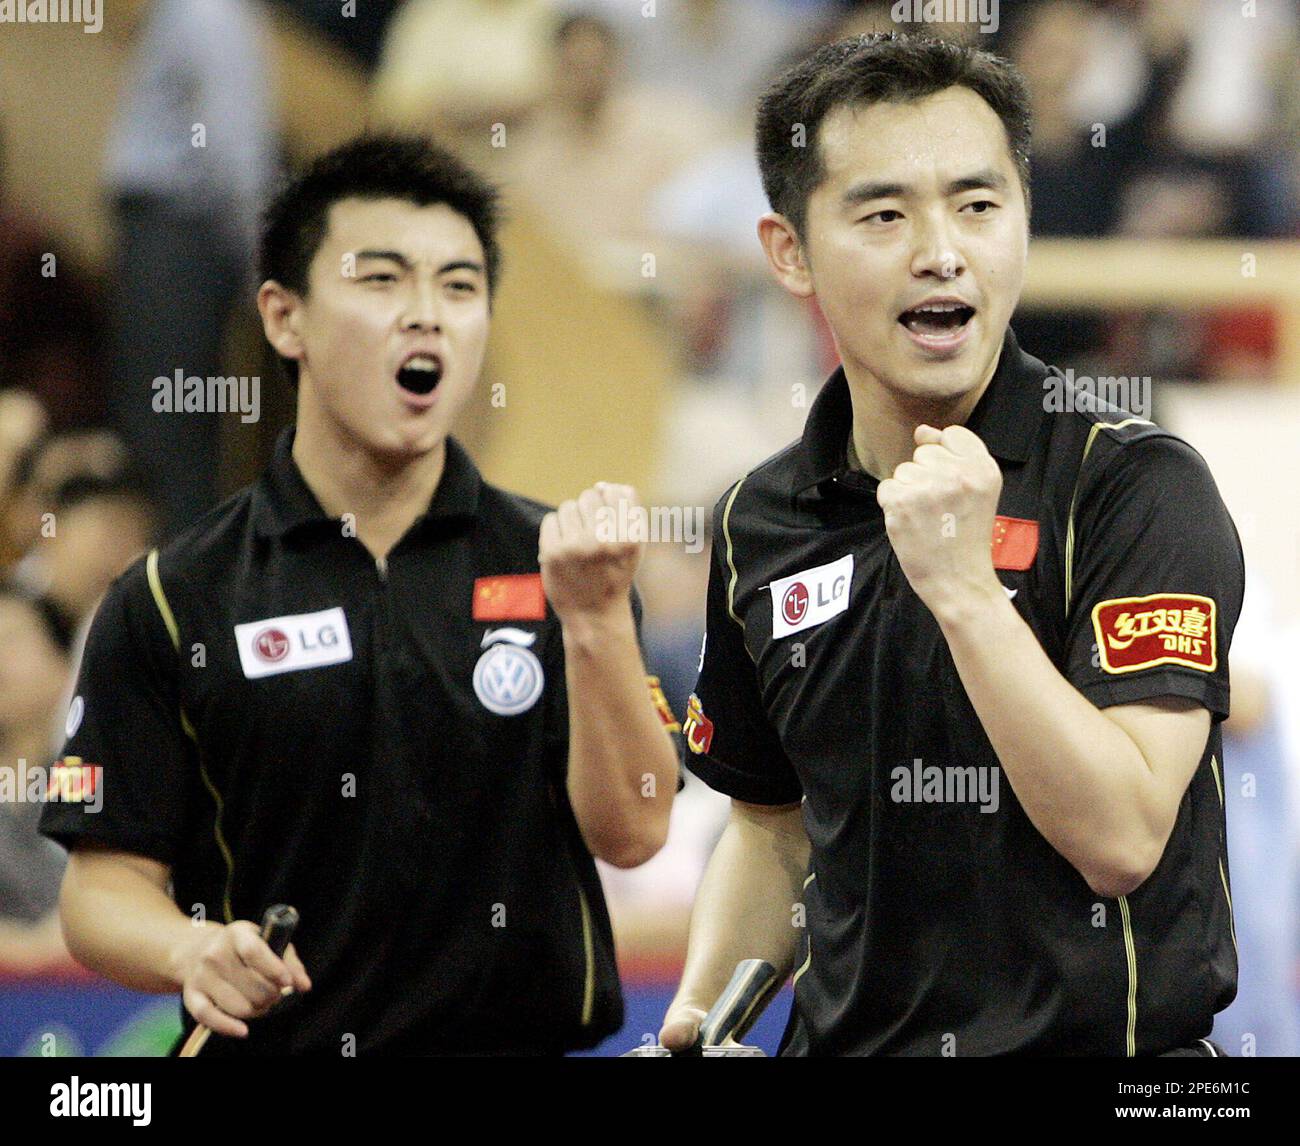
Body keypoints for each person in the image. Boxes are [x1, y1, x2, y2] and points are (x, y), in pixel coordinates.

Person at [660, 32, 1243, 1057]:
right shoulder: (760, 519)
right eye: (884, 214)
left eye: (978, 205)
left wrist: (964, 590)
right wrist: (696, 1023)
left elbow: (1120, 836)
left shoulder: (1132, 485)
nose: (942, 250)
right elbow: (773, 825)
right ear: (787, 250)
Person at [40, 135, 678, 1056]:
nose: (427, 316)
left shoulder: (562, 563)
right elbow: (99, 890)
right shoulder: (172, 598)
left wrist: (592, 620)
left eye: (459, 288)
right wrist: (189, 947)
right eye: (382, 280)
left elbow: (635, 830)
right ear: (285, 317)